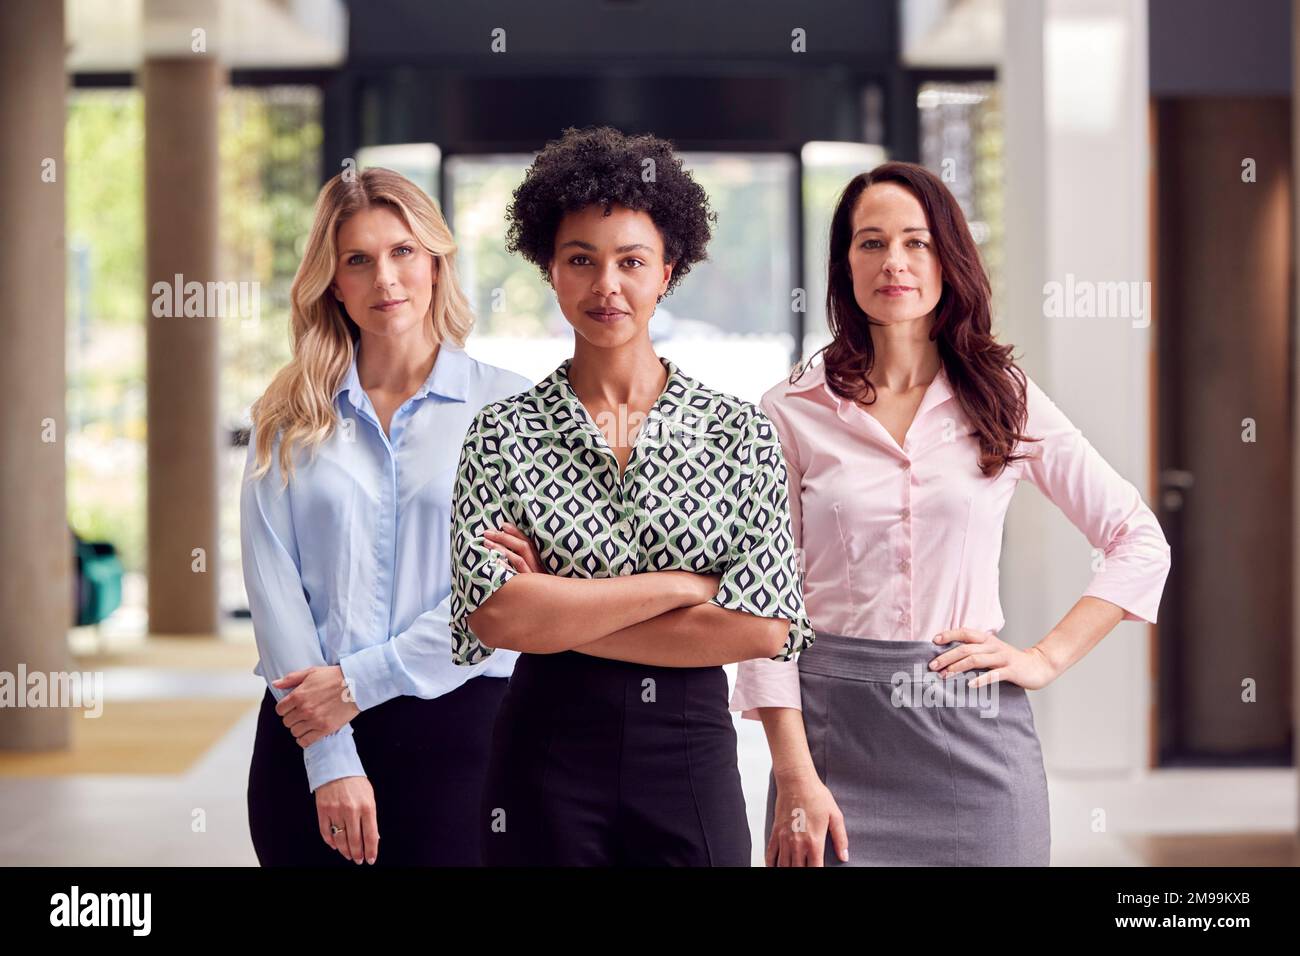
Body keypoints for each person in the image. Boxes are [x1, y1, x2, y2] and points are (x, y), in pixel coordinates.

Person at [732, 161, 1172, 866]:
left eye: (918, 241)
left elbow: (1137, 540)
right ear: (844, 265)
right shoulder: (790, 410)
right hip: (831, 744)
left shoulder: (1004, 397)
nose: (894, 262)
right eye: (870, 243)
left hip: (974, 742)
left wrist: (1044, 657)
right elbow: (761, 605)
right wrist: (791, 774)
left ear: (949, 259)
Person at [449, 126, 814, 866]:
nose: (605, 285)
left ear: (668, 272)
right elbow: (495, 614)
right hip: (543, 746)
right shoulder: (501, 433)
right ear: (549, 269)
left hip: (687, 750)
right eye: (581, 260)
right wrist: (683, 588)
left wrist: (555, 606)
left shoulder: (737, 431)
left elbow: (762, 629)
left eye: (631, 262)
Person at [242, 167, 531, 866]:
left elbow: (505, 595)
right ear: (332, 282)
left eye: (403, 252)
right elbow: (273, 585)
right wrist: (330, 755)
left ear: (435, 262)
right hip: (306, 731)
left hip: (463, 737)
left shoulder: (511, 412)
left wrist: (360, 683)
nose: (386, 279)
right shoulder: (287, 417)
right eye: (358, 261)